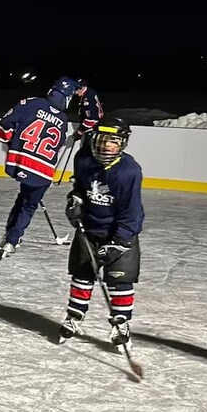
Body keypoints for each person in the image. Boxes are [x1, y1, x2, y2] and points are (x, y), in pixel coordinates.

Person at [59, 117, 143, 348]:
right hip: (89, 230)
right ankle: (74, 317)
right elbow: (79, 189)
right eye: (103, 139)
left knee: (119, 282)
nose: (107, 145)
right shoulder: (83, 160)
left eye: (114, 141)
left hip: (120, 234)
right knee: (82, 276)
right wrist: (74, 202)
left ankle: (121, 323)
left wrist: (118, 242)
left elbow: (132, 212)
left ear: (123, 144)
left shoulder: (129, 171)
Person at [0, 76, 78, 259]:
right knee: (28, 205)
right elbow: (59, 143)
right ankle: (12, 240)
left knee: (23, 198)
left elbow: (5, 124)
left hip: (21, 162)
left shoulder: (31, 103)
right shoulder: (63, 120)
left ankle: (11, 236)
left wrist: (12, 143)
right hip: (43, 171)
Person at [72, 78, 105, 142]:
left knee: (89, 145)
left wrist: (79, 131)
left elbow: (90, 120)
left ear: (83, 88)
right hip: (97, 120)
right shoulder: (90, 91)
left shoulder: (87, 99)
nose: (75, 92)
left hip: (94, 126)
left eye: (77, 89)